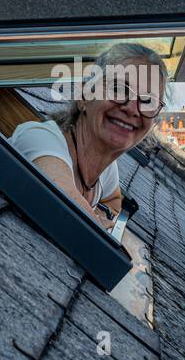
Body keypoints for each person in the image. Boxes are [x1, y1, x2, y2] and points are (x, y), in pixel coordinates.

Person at [9, 43, 169, 228]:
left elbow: (114, 200)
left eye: (148, 100)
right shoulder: (39, 139)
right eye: (118, 89)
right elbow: (69, 209)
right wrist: (97, 221)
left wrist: (101, 214)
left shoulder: (107, 170)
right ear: (85, 95)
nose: (132, 109)